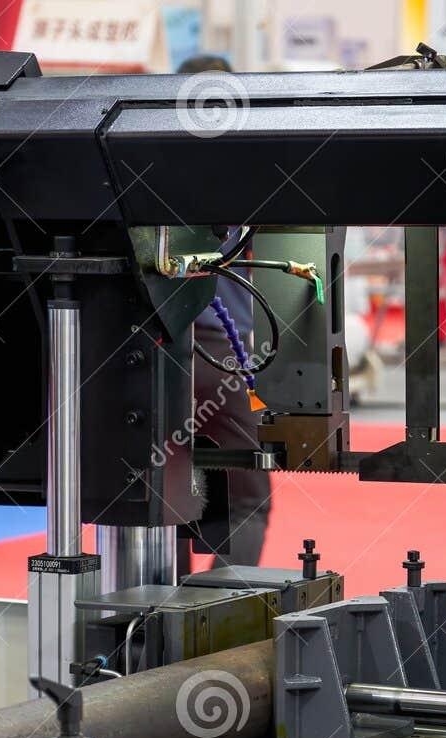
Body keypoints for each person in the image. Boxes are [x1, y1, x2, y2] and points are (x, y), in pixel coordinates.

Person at [178, 54, 271, 570]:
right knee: (244, 497)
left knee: (164, 489)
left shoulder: (144, 159)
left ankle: (153, 611)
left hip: (151, 347)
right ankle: (215, 619)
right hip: (220, 349)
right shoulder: (246, 165)